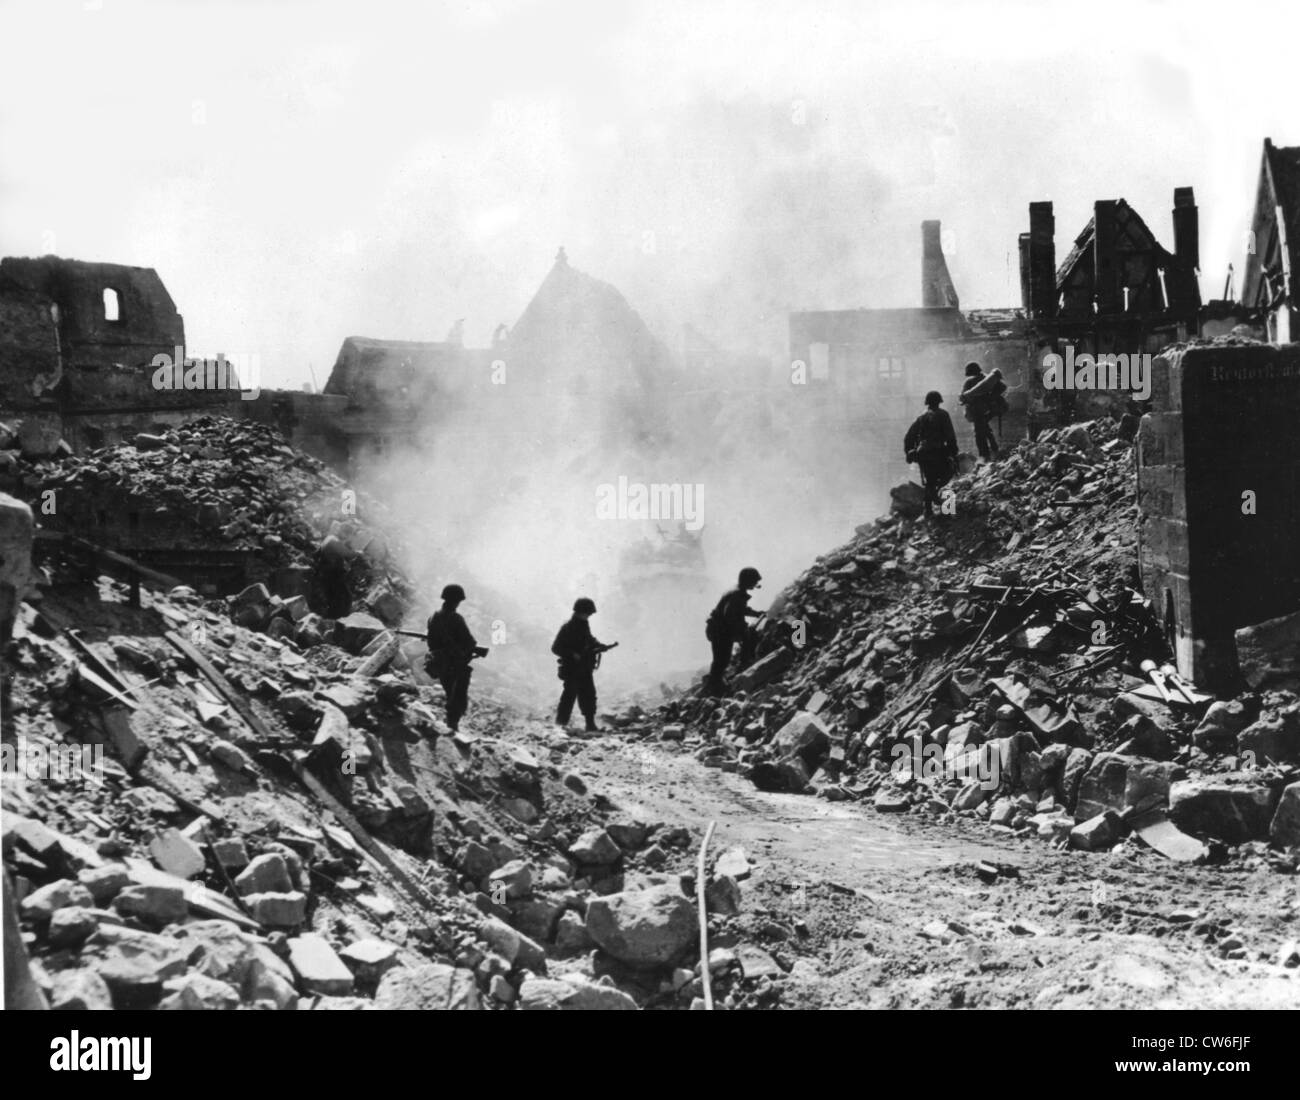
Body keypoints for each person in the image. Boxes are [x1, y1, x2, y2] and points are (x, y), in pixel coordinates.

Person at [426, 584, 486, 733]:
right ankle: (452, 727)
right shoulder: (456, 618)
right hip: (455, 664)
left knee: (450, 694)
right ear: (456, 601)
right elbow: (470, 642)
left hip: (440, 663)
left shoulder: (433, 616)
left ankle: (450, 725)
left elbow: (431, 641)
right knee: (458, 698)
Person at [552, 598, 614, 732]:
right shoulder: (567, 627)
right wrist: (572, 654)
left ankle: (590, 724)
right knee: (569, 696)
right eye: (587, 613)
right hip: (572, 669)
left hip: (584, 668)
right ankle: (560, 724)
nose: (589, 615)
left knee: (589, 695)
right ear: (580, 611)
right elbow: (556, 648)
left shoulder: (583, 625)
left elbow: (589, 640)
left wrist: (599, 645)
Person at [706, 568, 764, 694]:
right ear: (748, 580)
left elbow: (740, 609)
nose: (755, 584)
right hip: (720, 631)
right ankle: (714, 686)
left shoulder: (737, 591)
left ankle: (715, 683)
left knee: (721, 659)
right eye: (754, 581)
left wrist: (755, 613)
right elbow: (730, 615)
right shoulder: (737, 594)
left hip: (718, 629)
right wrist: (741, 630)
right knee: (722, 659)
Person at [904, 390, 959, 517]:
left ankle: (928, 510)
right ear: (939, 402)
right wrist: (954, 451)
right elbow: (950, 435)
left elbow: (909, 436)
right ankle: (947, 510)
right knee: (948, 475)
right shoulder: (943, 414)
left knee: (930, 480)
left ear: (927, 403)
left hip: (923, 453)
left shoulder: (921, 417)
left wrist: (909, 451)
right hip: (938, 452)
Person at [958, 361, 1005, 461]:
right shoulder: (987, 378)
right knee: (986, 430)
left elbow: (964, 397)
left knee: (979, 434)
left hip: (977, 411)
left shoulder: (970, 382)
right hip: (988, 410)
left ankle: (985, 455)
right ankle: (994, 450)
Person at [308, 534, 352, 619]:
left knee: (331, 596)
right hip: (333, 573)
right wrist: (358, 553)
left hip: (325, 573)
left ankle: (332, 617)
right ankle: (339, 618)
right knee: (345, 597)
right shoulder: (334, 541)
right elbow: (348, 554)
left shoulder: (328, 538)